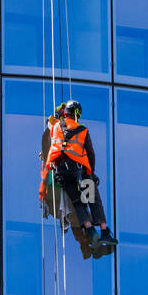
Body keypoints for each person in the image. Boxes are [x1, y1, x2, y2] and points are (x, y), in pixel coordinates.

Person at [39, 102, 117, 259]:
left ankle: (90, 230)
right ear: (76, 114)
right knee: (93, 199)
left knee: (77, 202)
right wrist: (91, 172)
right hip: (80, 170)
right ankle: (103, 231)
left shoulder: (56, 127)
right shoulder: (82, 130)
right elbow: (91, 153)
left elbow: (51, 147)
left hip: (62, 171)